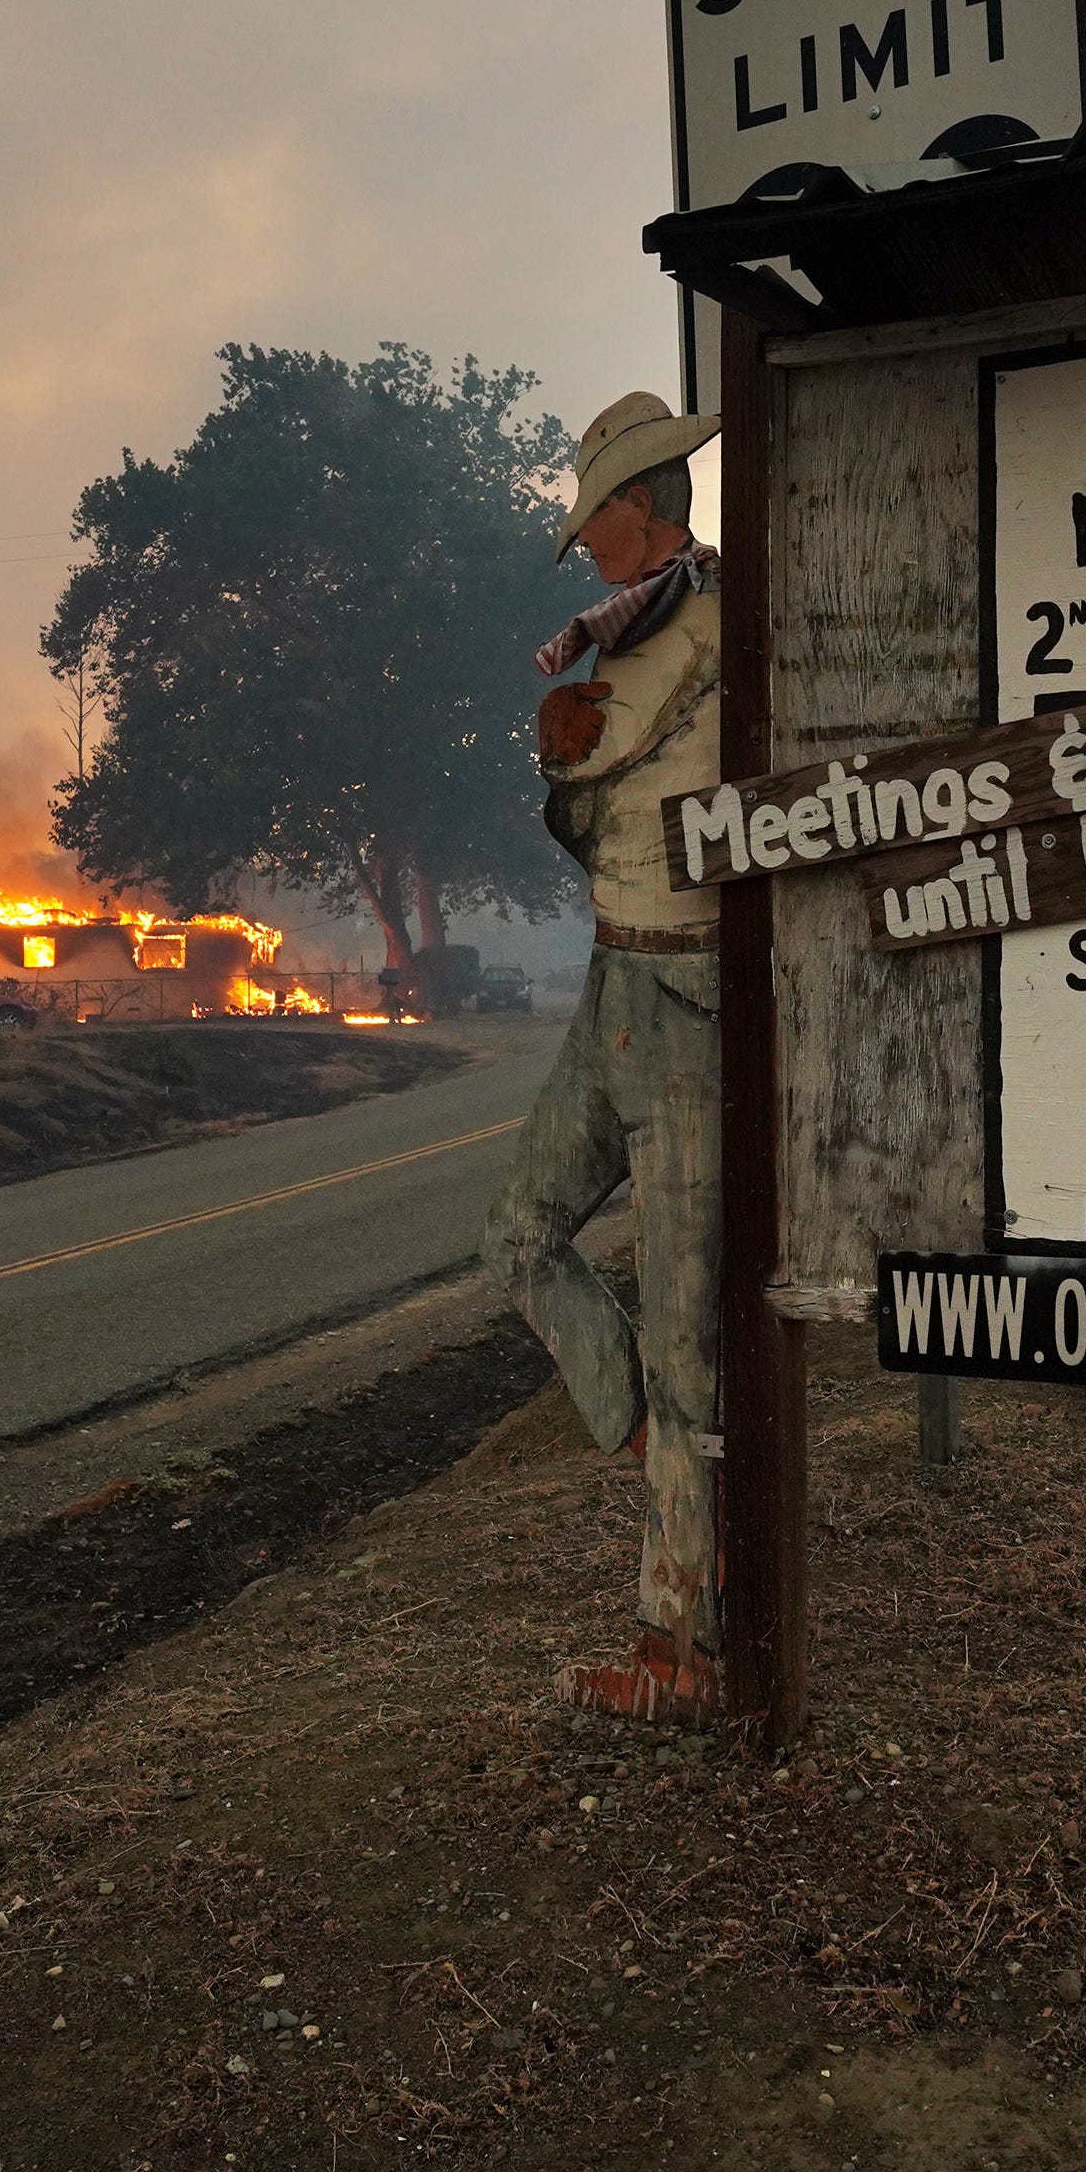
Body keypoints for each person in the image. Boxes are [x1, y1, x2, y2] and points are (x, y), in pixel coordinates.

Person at [480, 391, 728, 1727]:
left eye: (600, 524)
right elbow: (588, 821)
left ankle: (677, 1644)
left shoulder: (715, 625)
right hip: (616, 973)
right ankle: (664, 1459)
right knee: (518, 1237)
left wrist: (569, 760)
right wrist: (560, 765)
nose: (586, 552)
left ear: (650, 512)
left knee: (692, 1344)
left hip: (692, 992)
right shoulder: (617, 641)